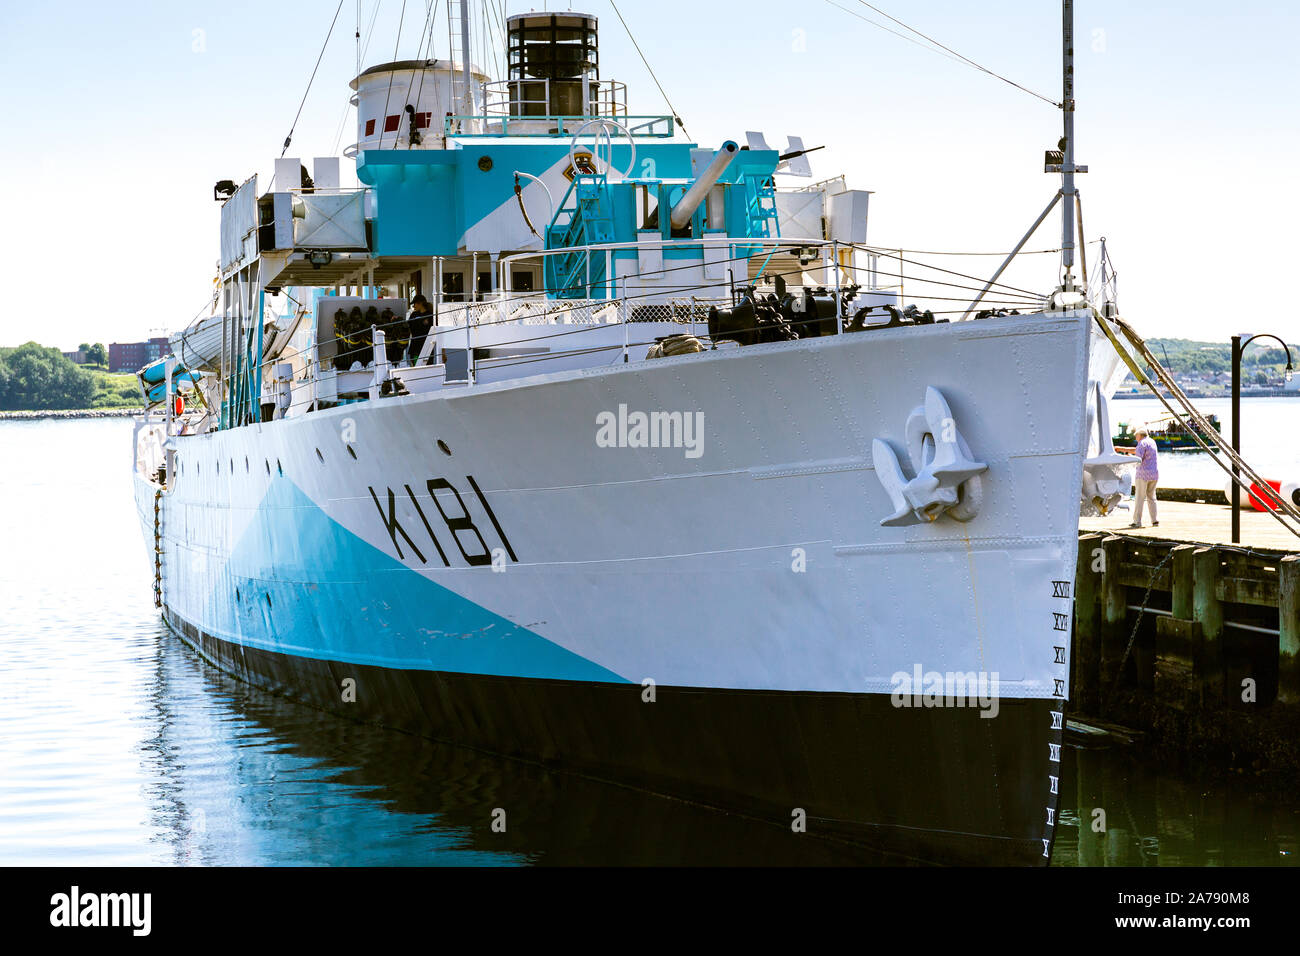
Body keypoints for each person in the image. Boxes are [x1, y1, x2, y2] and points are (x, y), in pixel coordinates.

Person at [1116, 427, 1159, 528]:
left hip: (1143, 475)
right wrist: (1123, 449)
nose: (1135, 438)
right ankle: (1155, 520)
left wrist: (1123, 458)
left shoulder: (1141, 443)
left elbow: (1138, 458)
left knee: (1139, 498)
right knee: (1152, 497)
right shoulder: (1151, 441)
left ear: (1140, 435)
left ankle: (1137, 522)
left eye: (1136, 436)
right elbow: (1137, 451)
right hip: (1154, 474)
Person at [407, 294, 434, 366]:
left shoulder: (431, 315)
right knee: (416, 366)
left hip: (427, 346)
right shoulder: (413, 314)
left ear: (420, 303)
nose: (413, 306)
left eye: (414, 304)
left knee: (427, 367)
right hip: (415, 347)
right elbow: (408, 327)